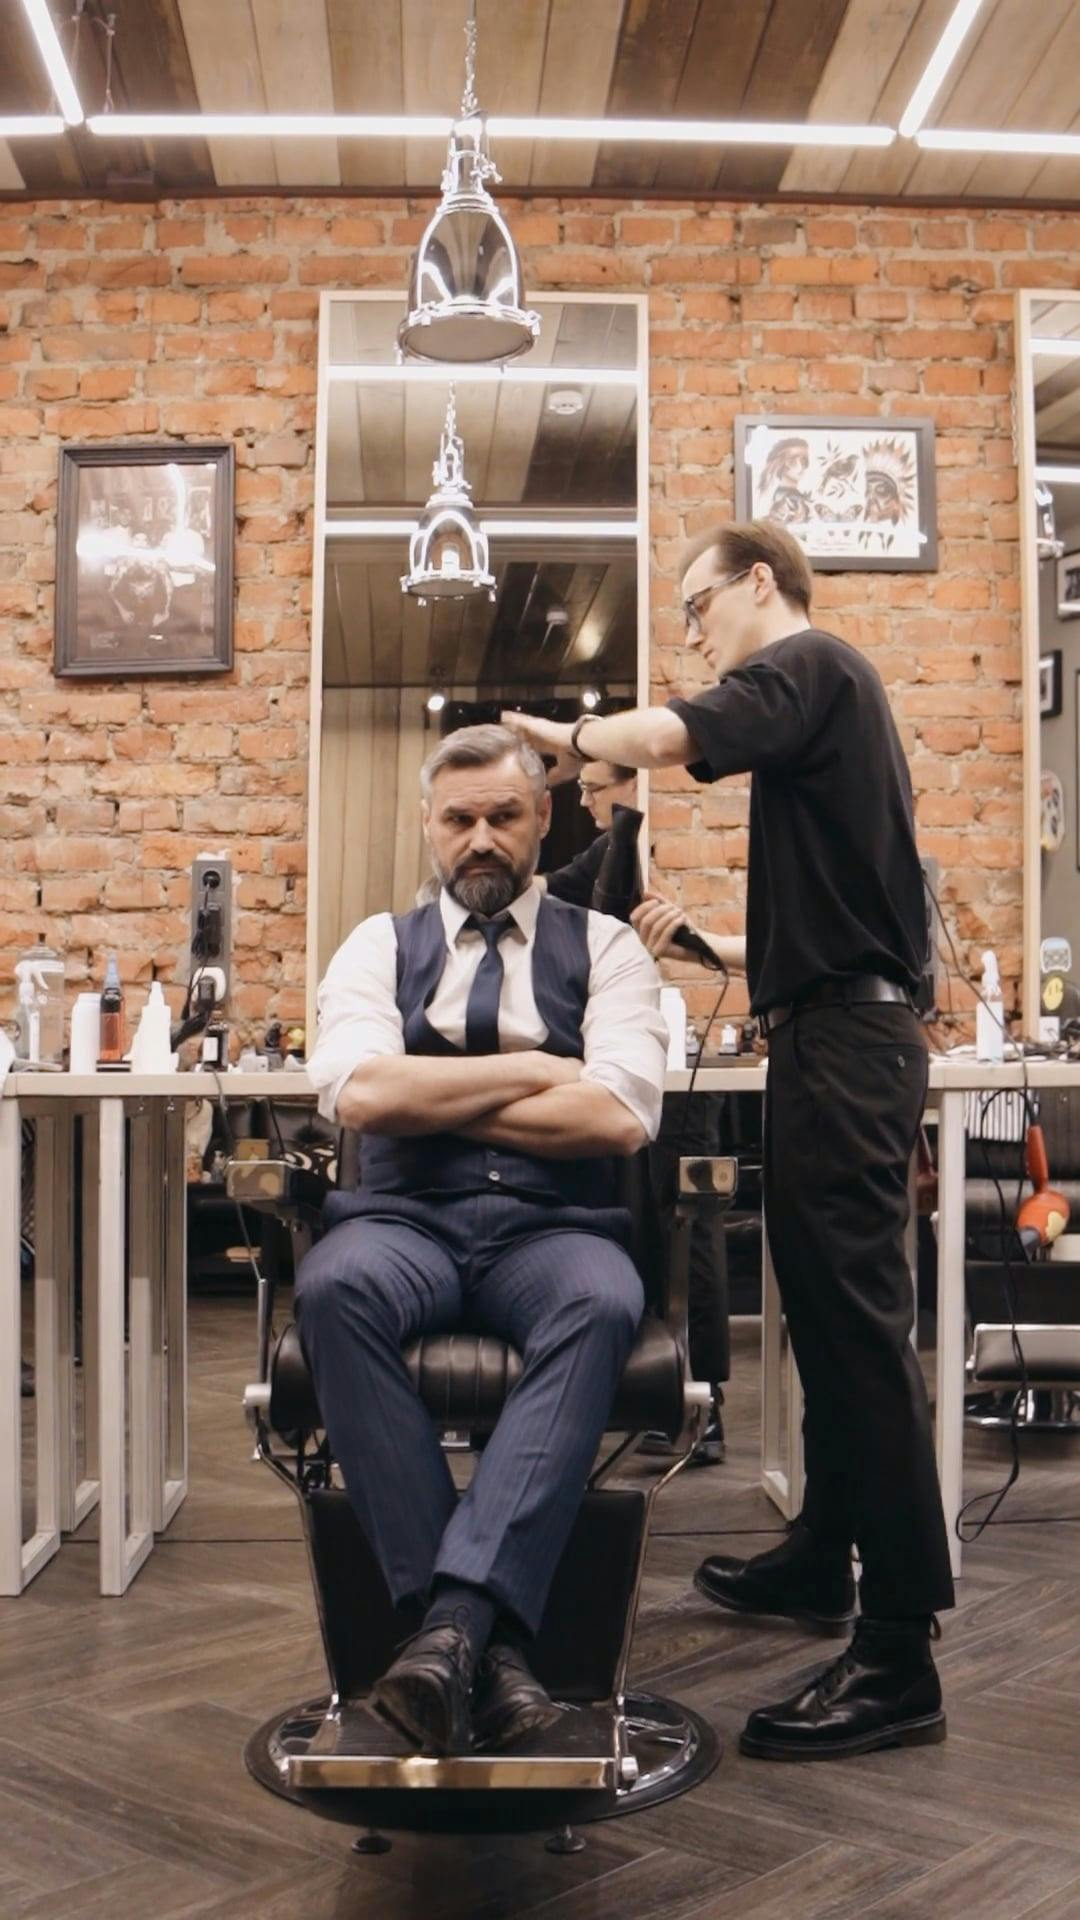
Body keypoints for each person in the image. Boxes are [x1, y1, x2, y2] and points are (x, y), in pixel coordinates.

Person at [503, 517, 955, 1763]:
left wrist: (572, 738)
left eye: (698, 606)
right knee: (820, 1311)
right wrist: (716, 949)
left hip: (849, 1047)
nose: (695, 633)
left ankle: (900, 1649)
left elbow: (668, 734)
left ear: (762, 582)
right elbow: (834, 925)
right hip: (824, 1033)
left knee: (857, 1329)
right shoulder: (817, 713)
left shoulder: (813, 665)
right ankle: (822, 1557)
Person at [301, 723, 667, 1757]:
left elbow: (619, 1116)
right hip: (401, 1223)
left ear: (543, 818)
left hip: (554, 1230)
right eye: (458, 819)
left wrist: (437, 1100)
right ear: (428, 824)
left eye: (504, 816)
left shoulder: (609, 948)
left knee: (602, 1299)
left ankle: (444, 1635)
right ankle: (482, 1646)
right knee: (333, 1288)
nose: (481, 839)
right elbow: (360, 1095)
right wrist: (542, 1071)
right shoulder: (377, 945)